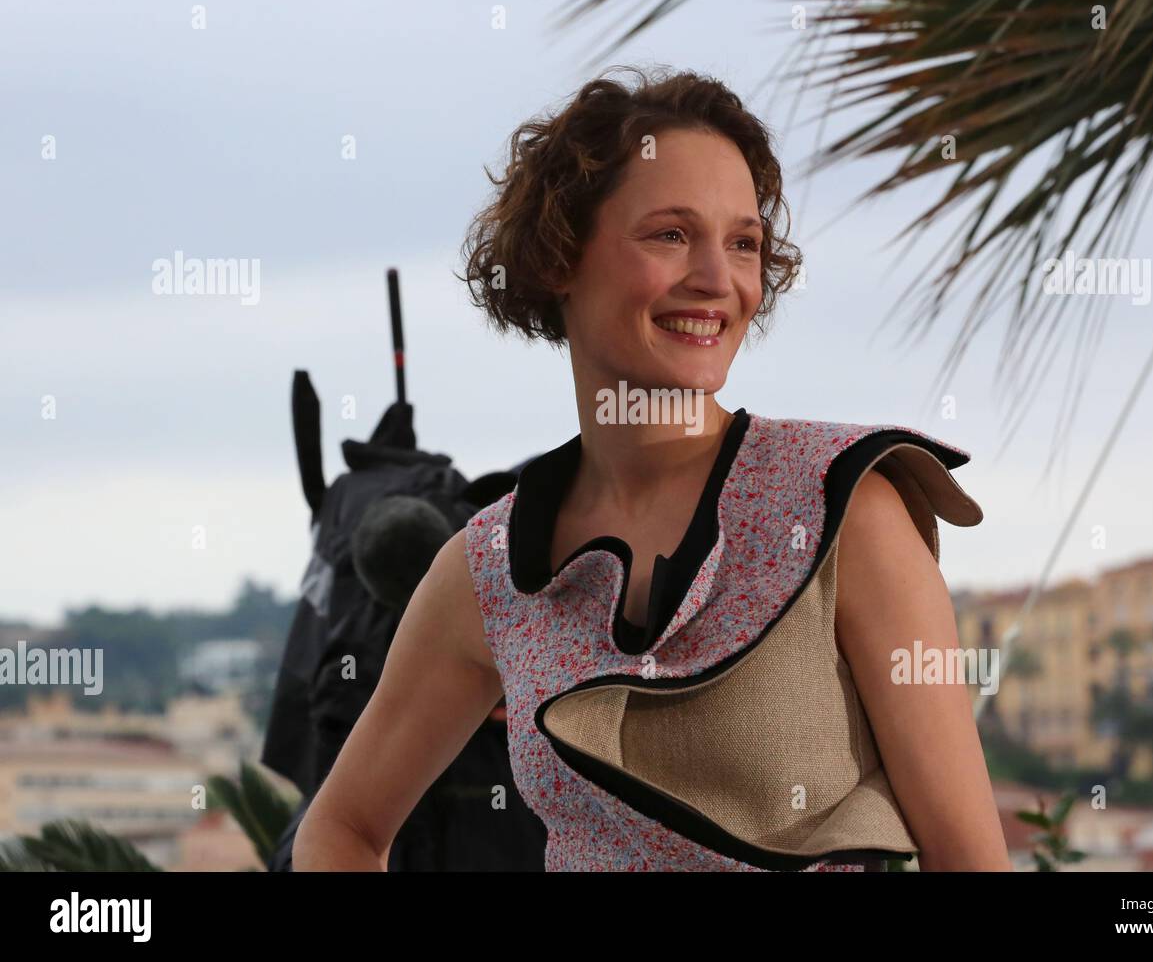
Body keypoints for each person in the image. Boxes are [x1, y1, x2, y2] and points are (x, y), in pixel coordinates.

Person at [294, 64, 1013, 872]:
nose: (719, 280)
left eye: (744, 242)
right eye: (672, 234)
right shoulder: (487, 570)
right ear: (560, 254)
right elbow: (343, 829)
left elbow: (970, 861)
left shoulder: (846, 508)